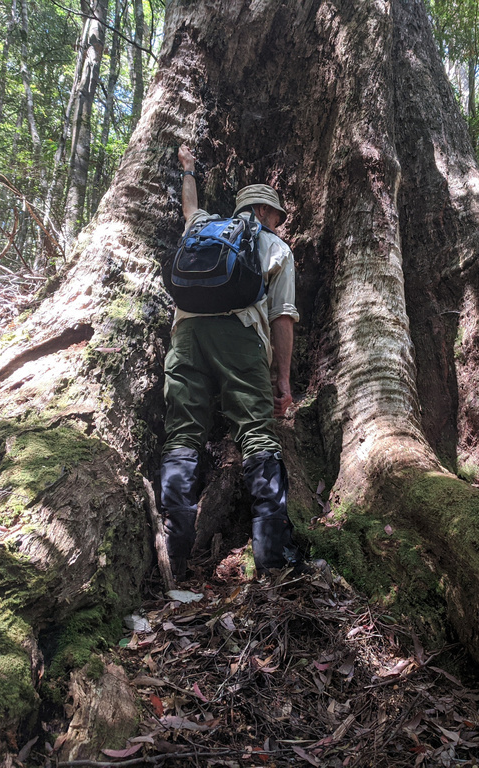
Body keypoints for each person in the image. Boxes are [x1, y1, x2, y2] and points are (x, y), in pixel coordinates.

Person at [160, 143, 300, 575]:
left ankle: (176, 548)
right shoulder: (274, 246)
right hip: (240, 338)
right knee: (257, 434)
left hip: (186, 335)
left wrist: (189, 169)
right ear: (269, 214)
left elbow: (189, 207)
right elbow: (282, 317)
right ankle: (272, 556)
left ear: (239, 208)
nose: (276, 221)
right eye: (276, 215)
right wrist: (283, 380)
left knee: (183, 432)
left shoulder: (204, 226)